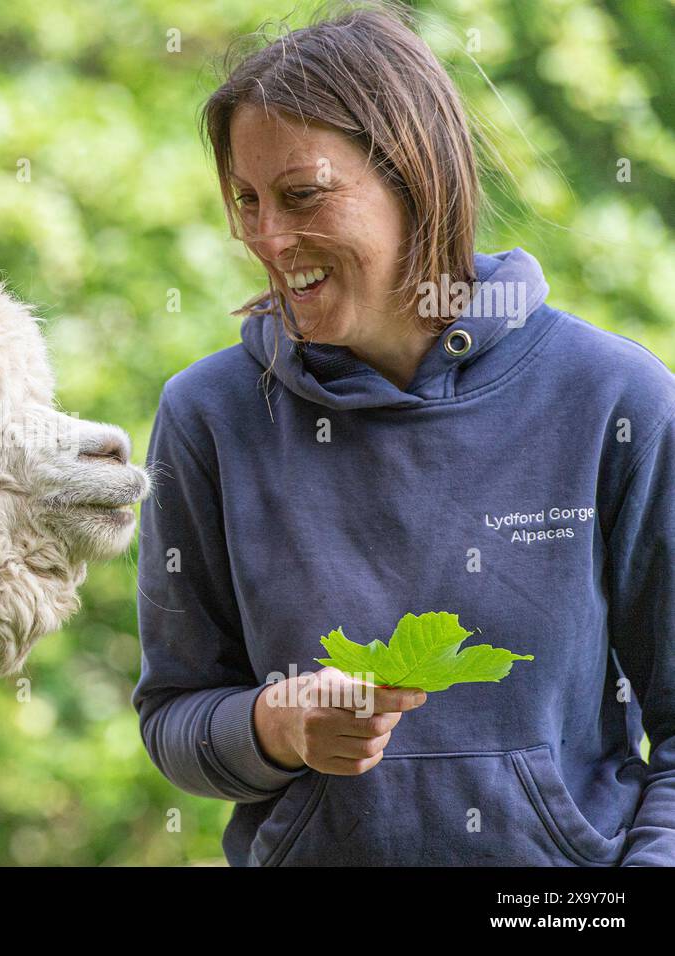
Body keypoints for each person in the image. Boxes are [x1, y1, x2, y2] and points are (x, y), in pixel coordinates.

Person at [133, 3, 675, 866]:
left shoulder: (616, 398)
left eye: (302, 195)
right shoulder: (208, 416)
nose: (267, 237)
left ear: (414, 176)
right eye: (245, 199)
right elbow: (173, 717)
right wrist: (275, 729)